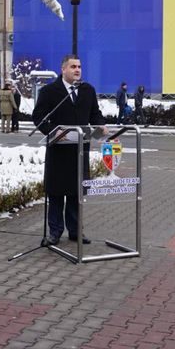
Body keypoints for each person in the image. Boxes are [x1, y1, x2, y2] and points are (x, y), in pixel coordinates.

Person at [32, 54, 105, 246]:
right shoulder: (50, 91)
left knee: (76, 192)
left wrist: (100, 126)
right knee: (56, 193)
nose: (77, 70)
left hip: (80, 150)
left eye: (79, 66)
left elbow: (94, 114)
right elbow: (38, 116)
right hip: (59, 150)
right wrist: (53, 132)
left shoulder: (88, 90)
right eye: (73, 67)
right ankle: (54, 232)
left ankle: (75, 231)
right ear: (63, 69)